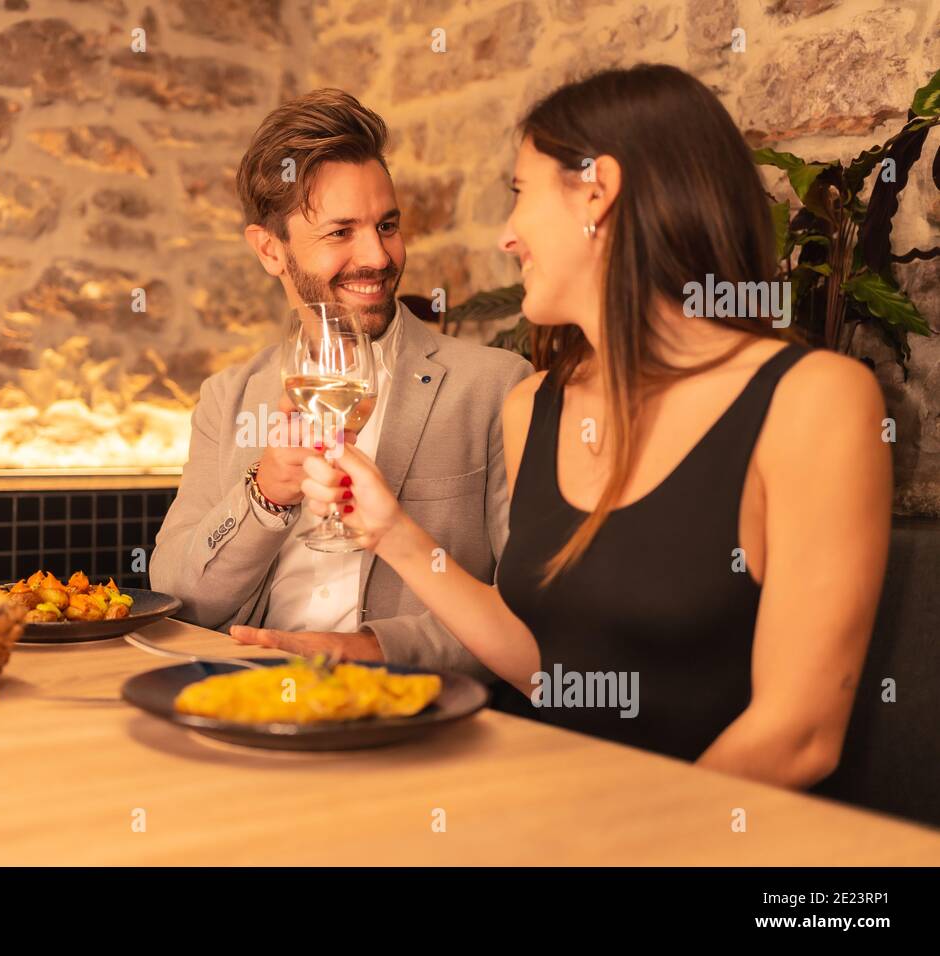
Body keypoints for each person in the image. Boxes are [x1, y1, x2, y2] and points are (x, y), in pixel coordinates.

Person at [298, 65, 891, 789]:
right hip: (558, 809)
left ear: (597, 194)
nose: (507, 237)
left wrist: (607, 845)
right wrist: (392, 532)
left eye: (520, 195)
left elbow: (796, 737)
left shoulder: (813, 401)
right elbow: (550, 667)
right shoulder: (534, 408)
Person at [150, 88, 533, 677]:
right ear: (270, 251)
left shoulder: (495, 387)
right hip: (250, 698)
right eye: (340, 232)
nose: (378, 257)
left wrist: (369, 650)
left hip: (412, 714)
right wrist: (268, 493)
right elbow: (181, 595)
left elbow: (528, 619)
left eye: (387, 225)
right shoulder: (229, 398)